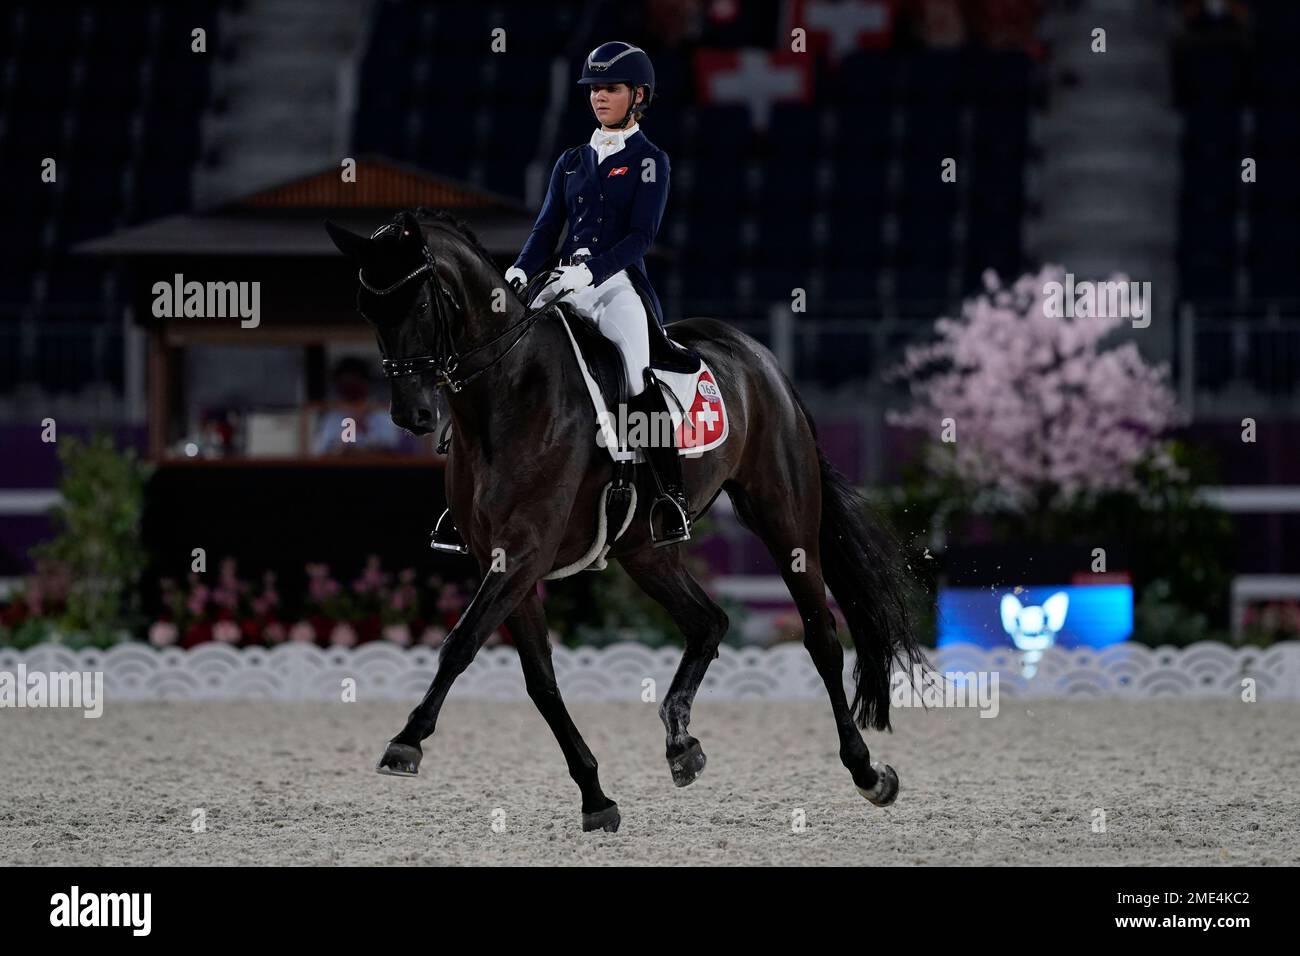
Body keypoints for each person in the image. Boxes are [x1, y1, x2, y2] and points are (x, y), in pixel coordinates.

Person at [506, 40, 690, 547]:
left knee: (634, 371)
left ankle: (669, 493)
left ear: (638, 95)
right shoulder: (571, 160)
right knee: (506, 353)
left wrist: (594, 273)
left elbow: (642, 237)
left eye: (610, 89)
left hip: (616, 285)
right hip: (562, 281)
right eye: (593, 90)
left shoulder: (651, 161)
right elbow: (546, 230)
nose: (599, 98)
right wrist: (522, 271)